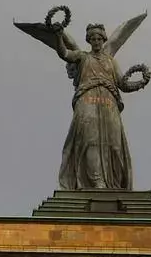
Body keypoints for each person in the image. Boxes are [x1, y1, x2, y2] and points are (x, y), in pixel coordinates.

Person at [53, 23, 134, 190]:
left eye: (99, 38)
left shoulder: (111, 61)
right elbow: (64, 53)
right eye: (93, 38)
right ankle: (98, 182)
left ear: (103, 39)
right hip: (87, 99)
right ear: (89, 40)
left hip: (109, 101)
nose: (96, 41)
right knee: (90, 141)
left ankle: (116, 183)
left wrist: (140, 83)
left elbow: (122, 84)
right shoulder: (83, 57)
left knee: (115, 144)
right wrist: (59, 36)